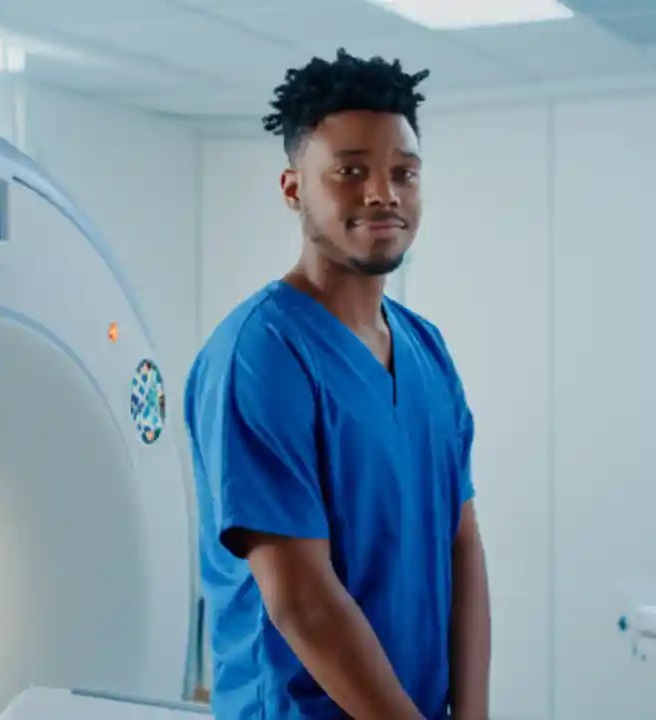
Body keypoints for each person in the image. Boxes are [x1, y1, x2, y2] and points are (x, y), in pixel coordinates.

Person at [183, 49, 491, 720]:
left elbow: (462, 543)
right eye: (350, 171)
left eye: (403, 173)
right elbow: (302, 600)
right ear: (295, 188)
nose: (383, 193)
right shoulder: (262, 354)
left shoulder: (426, 349)